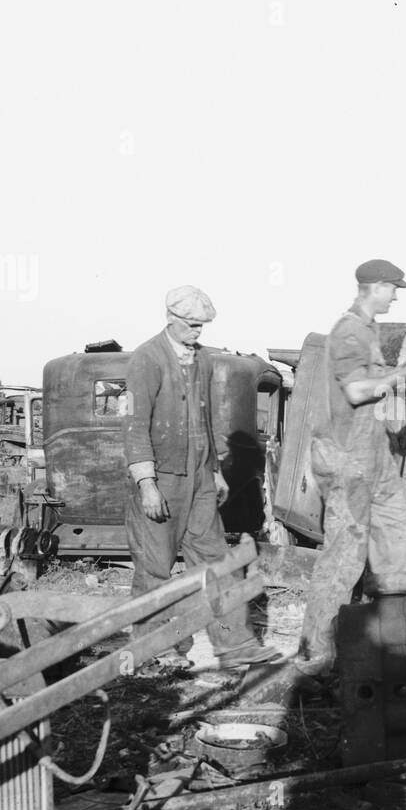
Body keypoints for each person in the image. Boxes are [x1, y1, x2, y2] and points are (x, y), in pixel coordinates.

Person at [124, 285, 280, 671]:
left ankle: (235, 647)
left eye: (202, 326)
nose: (197, 332)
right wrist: (146, 484)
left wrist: (214, 471)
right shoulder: (147, 359)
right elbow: (134, 425)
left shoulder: (202, 360)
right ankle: (152, 653)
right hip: (161, 479)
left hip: (201, 480)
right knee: (155, 569)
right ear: (171, 320)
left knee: (215, 561)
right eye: (192, 325)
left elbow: (206, 420)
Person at [295, 259, 406, 676]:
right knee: (343, 559)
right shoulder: (350, 330)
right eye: (393, 288)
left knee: (400, 543)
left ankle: (401, 643)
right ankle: (315, 653)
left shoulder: (366, 329)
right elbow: (356, 391)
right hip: (348, 462)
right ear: (374, 287)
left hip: (371, 457)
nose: (396, 295)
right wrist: (403, 374)